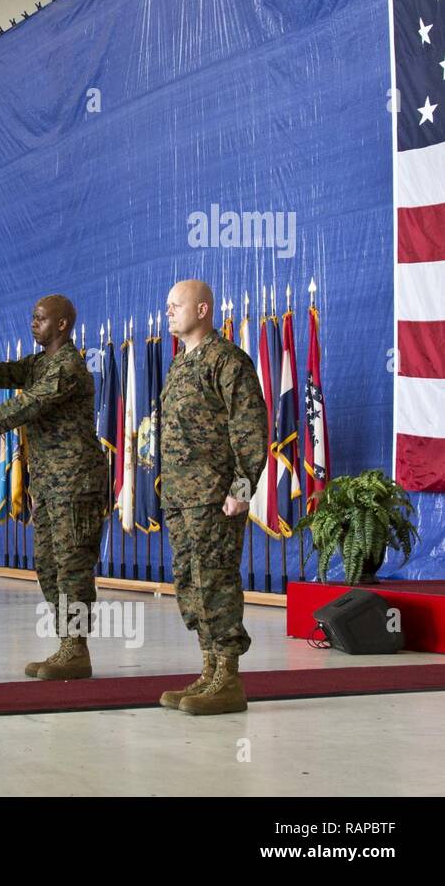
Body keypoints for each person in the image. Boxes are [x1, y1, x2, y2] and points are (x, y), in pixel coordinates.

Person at [0, 295, 109, 680]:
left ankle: (76, 648)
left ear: (62, 324)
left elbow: (23, 408)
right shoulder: (39, 363)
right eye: (32, 317)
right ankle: (67, 645)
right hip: (49, 484)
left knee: (72, 568)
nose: (33, 323)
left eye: (40, 318)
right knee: (48, 567)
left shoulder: (67, 367)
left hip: (75, 483)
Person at [158, 279, 268, 715]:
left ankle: (229, 677)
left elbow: (250, 426)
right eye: (166, 305)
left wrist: (242, 489)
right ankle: (208, 670)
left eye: (176, 305)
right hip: (181, 497)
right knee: (190, 582)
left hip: (214, 496)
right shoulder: (179, 364)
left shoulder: (227, 360)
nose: (168, 311)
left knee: (216, 581)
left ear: (203, 310)